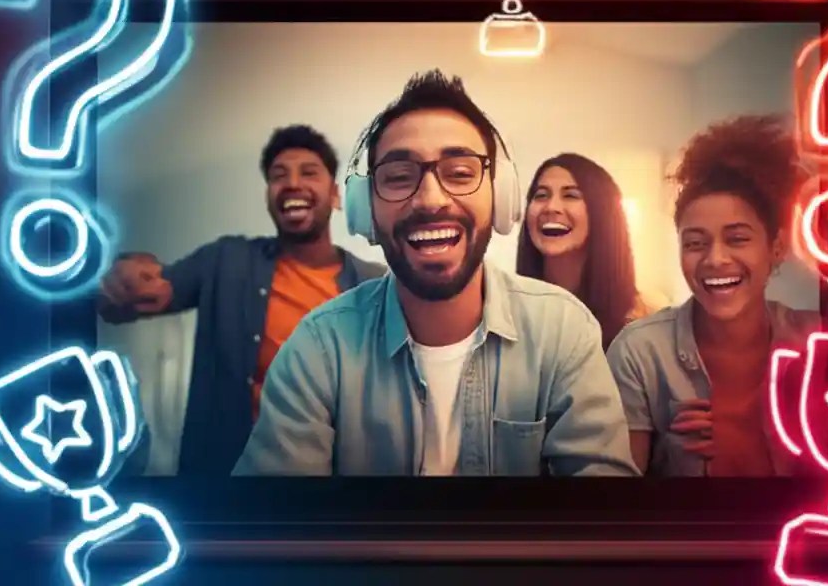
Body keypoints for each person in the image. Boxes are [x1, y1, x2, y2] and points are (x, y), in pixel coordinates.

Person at [235, 70, 638, 476]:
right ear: (365, 210)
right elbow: (274, 522)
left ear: (500, 197)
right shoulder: (318, 349)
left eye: (460, 173)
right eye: (398, 177)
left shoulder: (562, 330)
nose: (430, 199)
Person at [97, 125, 385, 475]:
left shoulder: (374, 283)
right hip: (224, 484)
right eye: (279, 176)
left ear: (336, 196)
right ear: (268, 196)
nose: (292, 183)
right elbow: (145, 292)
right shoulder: (225, 259)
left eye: (309, 173)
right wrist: (123, 277)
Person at [606, 115, 820, 477]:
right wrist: (668, 460)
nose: (715, 259)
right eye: (695, 243)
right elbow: (614, 509)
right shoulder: (639, 352)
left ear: (777, 247)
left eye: (737, 239)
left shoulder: (820, 339)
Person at [516, 153, 658, 349]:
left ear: (601, 213)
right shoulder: (508, 313)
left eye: (571, 196)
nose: (551, 207)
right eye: (541, 195)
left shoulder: (642, 324)